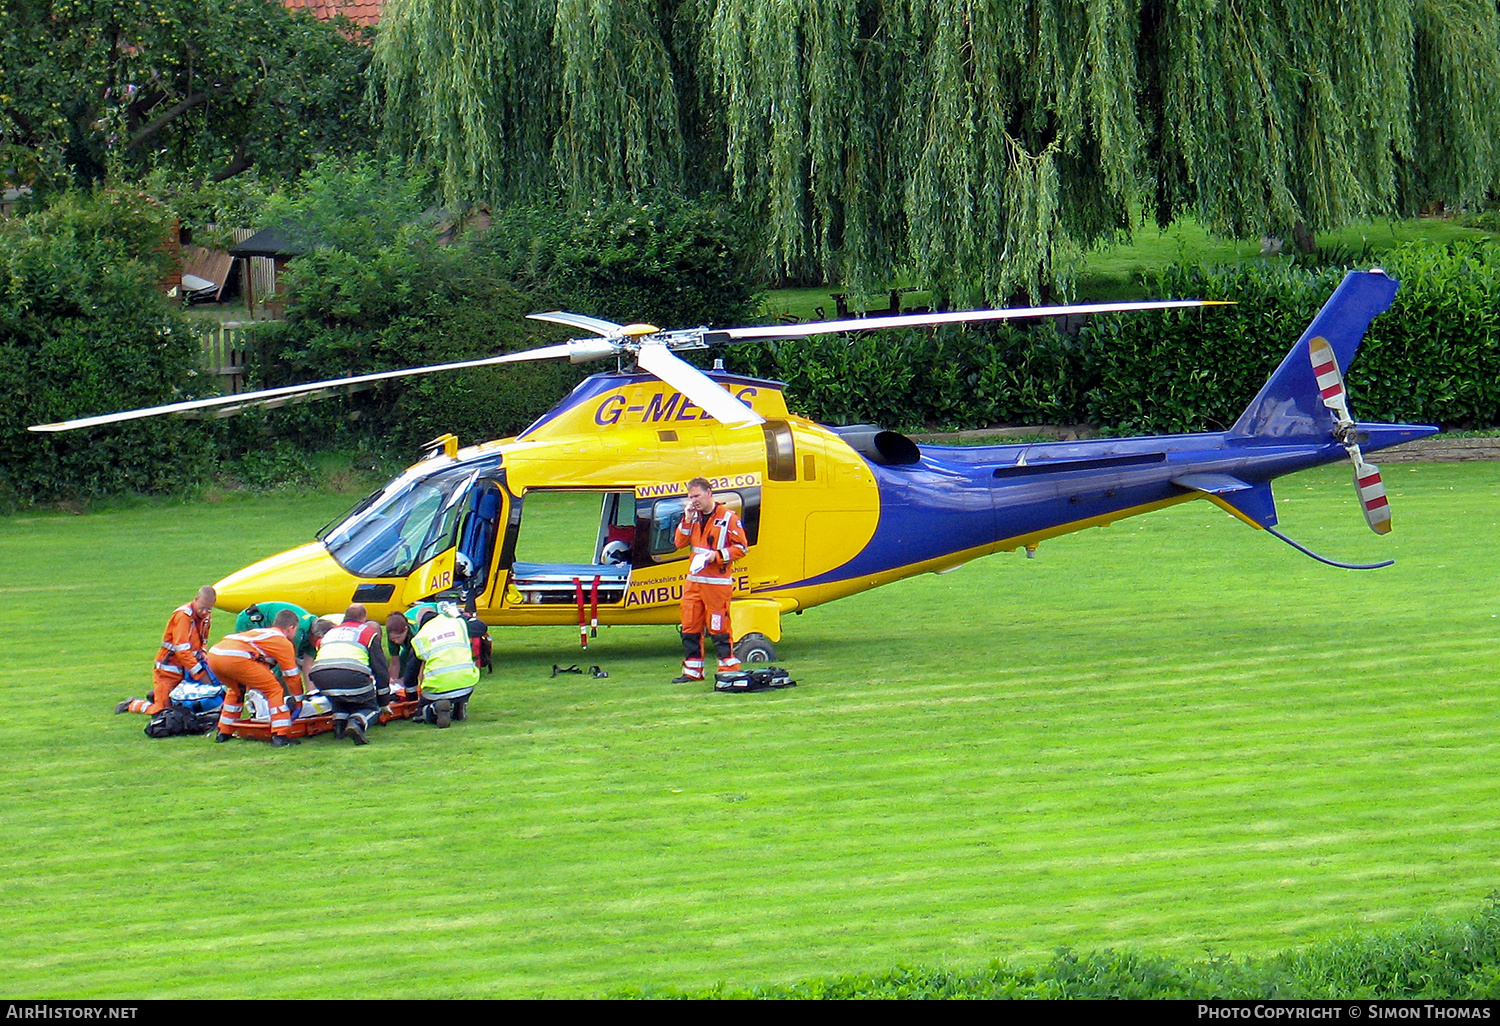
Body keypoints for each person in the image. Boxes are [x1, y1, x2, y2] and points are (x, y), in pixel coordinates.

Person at [672, 477, 749, 683]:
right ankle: (692, 671)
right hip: (694, 582)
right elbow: (679, 542)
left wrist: (715, 556)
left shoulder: (728, 517)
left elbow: (741, 548)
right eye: (690, 497)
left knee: (719, 628)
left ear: (708, 493)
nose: (693, 500)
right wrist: (687, 519)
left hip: (717, 583)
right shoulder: (693, 517)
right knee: (689, 625)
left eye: (696, 496)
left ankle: (728, 668)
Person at [208, 609, 304, 748]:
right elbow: (291, 676)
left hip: (215, 654)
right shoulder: (282, 642)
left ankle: (224, 731)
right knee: (274, 689)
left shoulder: (261, 633)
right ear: (291, 628)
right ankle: (280, 734)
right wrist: (299, 700)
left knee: (236, 690)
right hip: (235, 657)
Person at [116, 585, 216, 716]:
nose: (205, 612)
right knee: (162, 712)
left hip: (187, 670)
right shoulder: (183, 616)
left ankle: (160, 695)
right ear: (195, 599)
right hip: (169, 669)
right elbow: (182, 649)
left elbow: (203, 642)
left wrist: (204, 659)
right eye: (202, 608)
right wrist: (200, 674)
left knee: (189, 707)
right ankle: (132, 704)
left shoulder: (206, 617)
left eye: (208, 609)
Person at [306, 604, 390, 745]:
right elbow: (380, 670)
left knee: (340, 698)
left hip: (320, 676)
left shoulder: (330, 632)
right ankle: (356, 723)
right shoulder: (367, 633)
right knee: (371, 707)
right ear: (363, 618)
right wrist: (384, 702)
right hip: (351, 675)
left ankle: (339, 726)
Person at [409, 605, 480, 728]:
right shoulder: (457, 624)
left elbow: (412, 671)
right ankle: (459, 706)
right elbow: (481, 627)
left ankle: (434, 709)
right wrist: (458, 615)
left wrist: (411, 697)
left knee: (420, 714)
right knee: (457, 690)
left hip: (437, 688)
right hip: (467, 684)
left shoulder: (420, 637)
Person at [234, 601, 320, 675]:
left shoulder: (313, 636)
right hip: (251, 620)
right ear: (315, 636)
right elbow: (285, 666)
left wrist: (311, 693)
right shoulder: (297, 632)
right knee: (249, 664)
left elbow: (308, 665)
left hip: (274, 625)